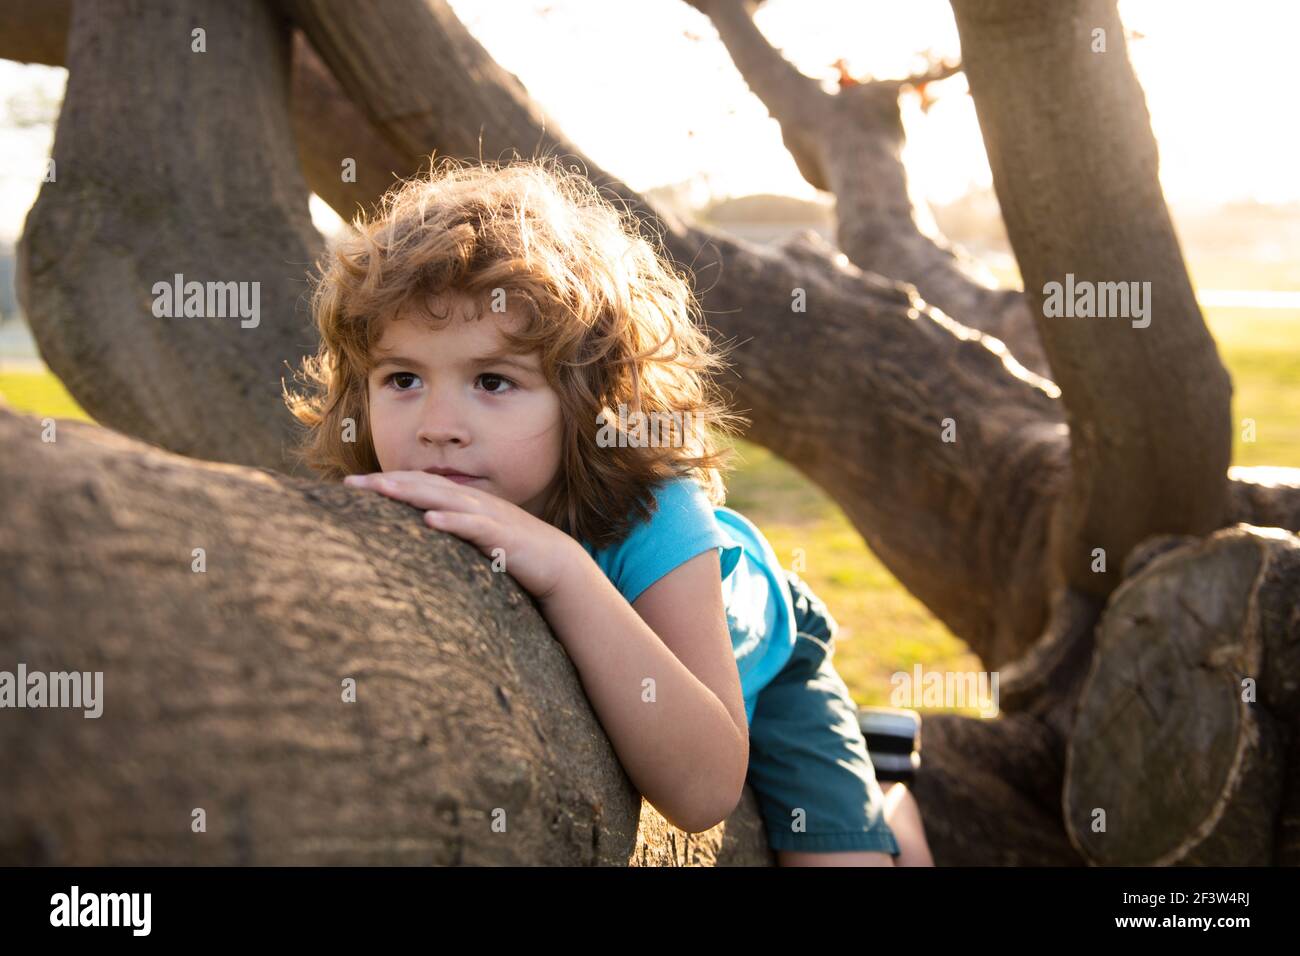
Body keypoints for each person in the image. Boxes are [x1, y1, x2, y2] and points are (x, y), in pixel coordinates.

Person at [283, 155, 934, 867]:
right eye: (403, 378)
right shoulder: (396, 488)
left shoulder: (655, 514)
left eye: (494, 381)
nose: (438, 424)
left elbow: (704, 790)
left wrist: (565, 570)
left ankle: (891, 803)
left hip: (768, 658)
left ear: (591, 401)